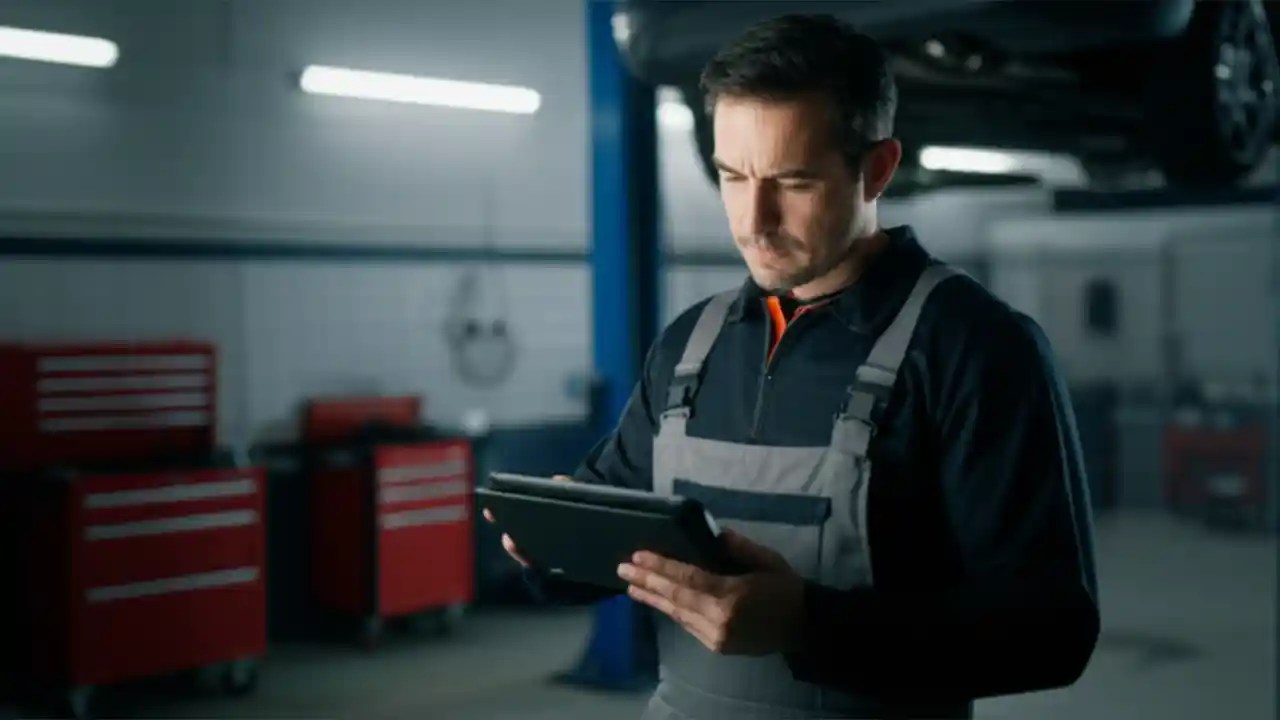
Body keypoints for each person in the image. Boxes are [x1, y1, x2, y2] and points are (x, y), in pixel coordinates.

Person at [487, 13, 1100, 720]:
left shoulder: (976, 349)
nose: (755, 219)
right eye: (733, 176)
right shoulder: (692, 345)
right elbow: (615, 548)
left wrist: (808, 624)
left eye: (794, 181)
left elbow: (1053, 633)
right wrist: (548, 547)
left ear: (877, 169)